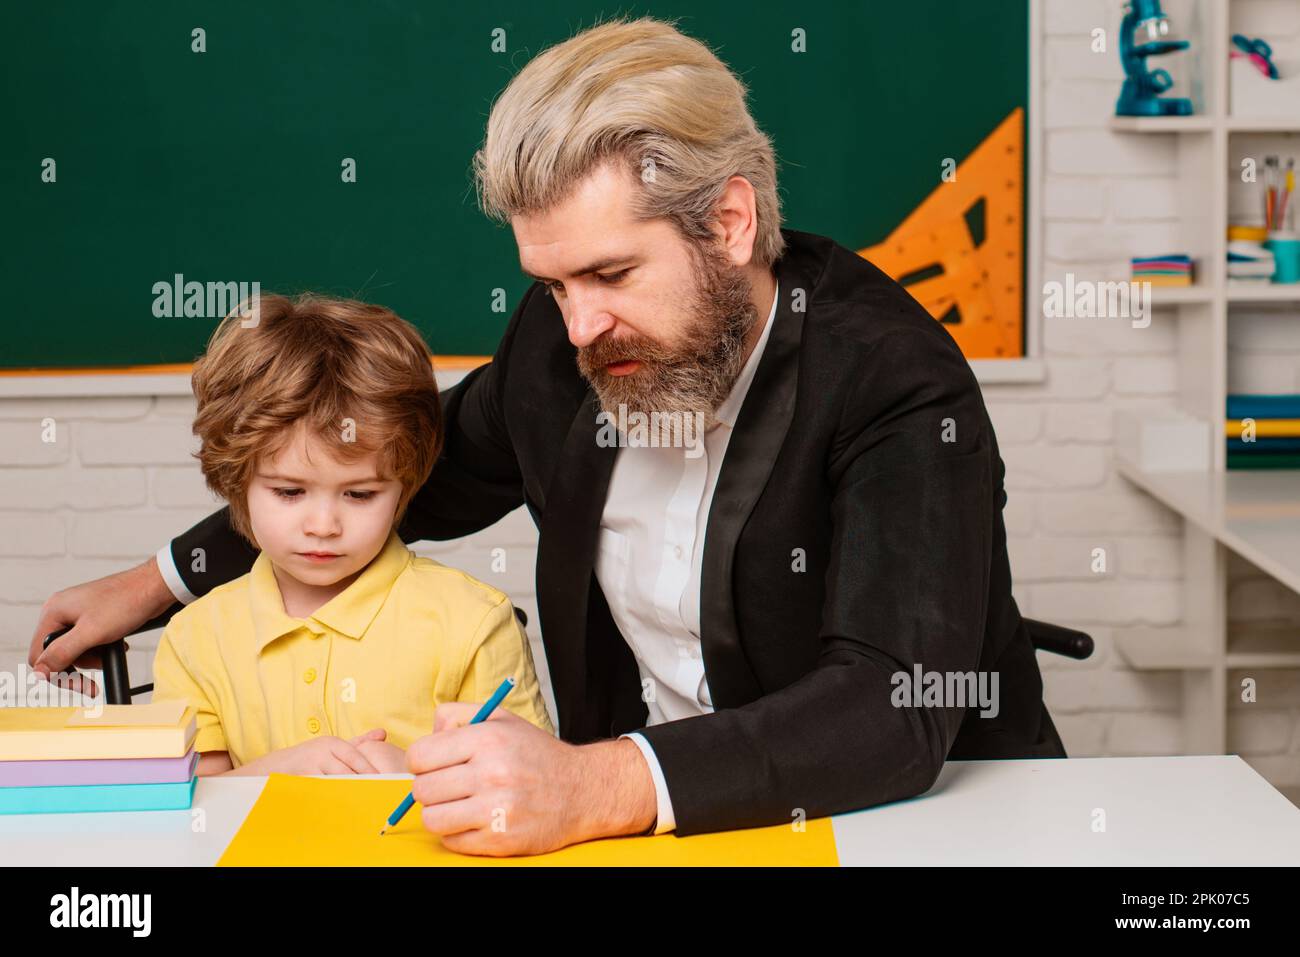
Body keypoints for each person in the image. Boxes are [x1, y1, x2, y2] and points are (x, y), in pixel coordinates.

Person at [31, 16, 1062, 855]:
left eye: (611, 275)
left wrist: (594, 780)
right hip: (656, 831)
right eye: (550, 283)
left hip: (919, 823)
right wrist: (163, 579)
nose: (576, 328)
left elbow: (889, 708)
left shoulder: (895, 382)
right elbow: (395, 474)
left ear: (731, 223)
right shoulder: (562, 341)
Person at [148, 293, 553, 776]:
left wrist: (412, 774)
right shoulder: (195, 638)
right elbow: (194, 811)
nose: (323, 525)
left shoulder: (473, 622)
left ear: (406, 485)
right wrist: (283, 773)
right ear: (239, 482)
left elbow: (529, 786)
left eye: (359, 495)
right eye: (290, 492)